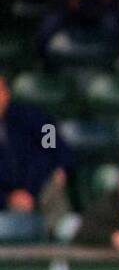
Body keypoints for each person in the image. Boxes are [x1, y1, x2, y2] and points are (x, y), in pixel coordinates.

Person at [0, 73, 72, 223]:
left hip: (38, 184)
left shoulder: (33, 116)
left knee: (53, 185)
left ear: (6, 93)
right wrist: (7, 198)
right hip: (4, 194)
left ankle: (58, 236)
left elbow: (54, 144)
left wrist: (61, 166)